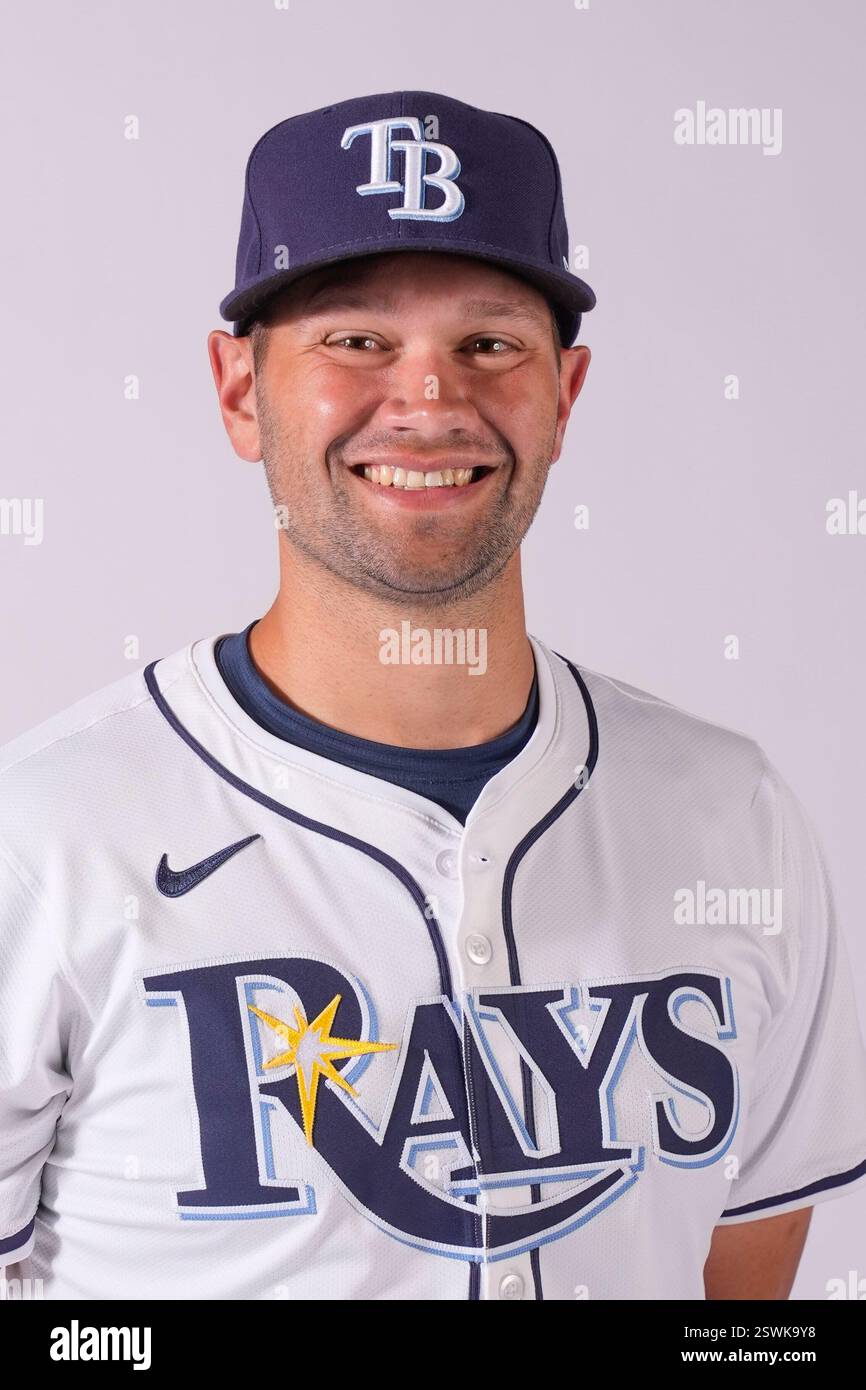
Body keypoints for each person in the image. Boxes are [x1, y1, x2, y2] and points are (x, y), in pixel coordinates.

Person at [1, 90, 865, 1301]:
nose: (427, 400)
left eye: (490, 345)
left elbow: (745, 1287)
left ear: (563, 393)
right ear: (240, 392)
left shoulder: (733, 815)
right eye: (355, 340)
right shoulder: (41, 840)